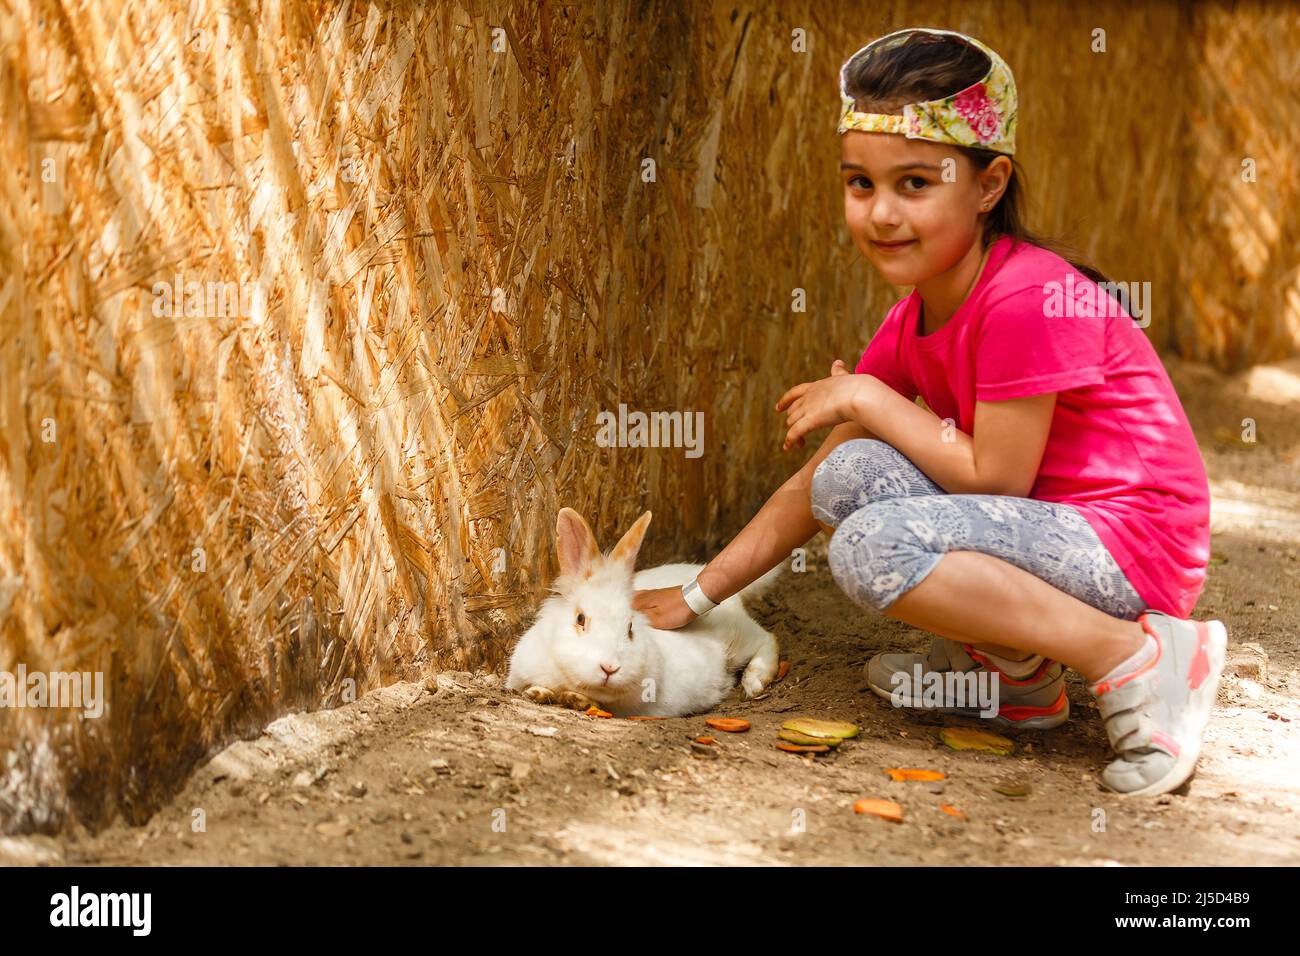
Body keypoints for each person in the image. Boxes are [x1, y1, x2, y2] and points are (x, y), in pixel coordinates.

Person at [631, 27, 1226, 798]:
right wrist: (696, 596)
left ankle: (1139, 657)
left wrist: (870, 397)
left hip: (1131, 543)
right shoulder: (915, 316)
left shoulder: (1024, 298)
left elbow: (999, 476)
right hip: (1054, 535)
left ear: (989, 185)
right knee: (850, 473)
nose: (881, 213)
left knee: (874, 548)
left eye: (915, 183)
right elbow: (818, 484)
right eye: (860, 183)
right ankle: (1015, 674)